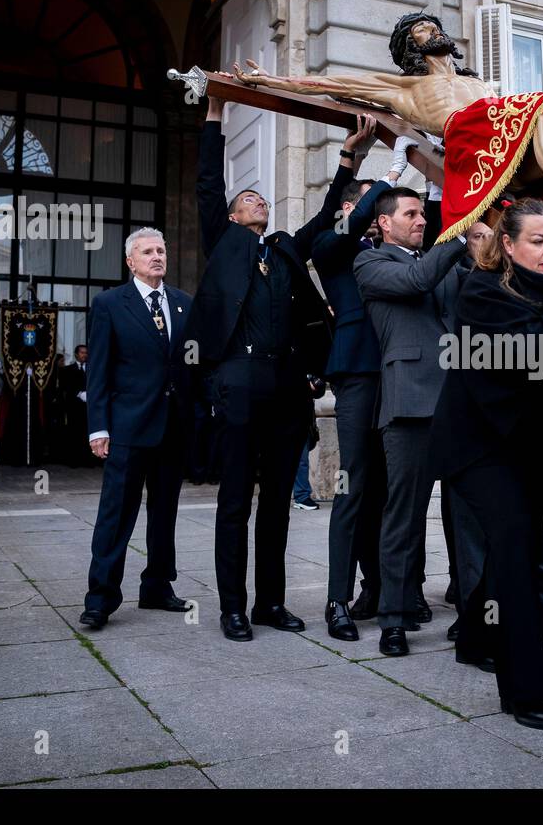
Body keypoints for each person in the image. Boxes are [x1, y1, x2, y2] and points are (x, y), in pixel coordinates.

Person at [185, 93, 361, 641]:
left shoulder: (283, 248)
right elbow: (208, 186)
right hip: (238, 380)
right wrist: (214, 114)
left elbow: (325, 217)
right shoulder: (225, 242)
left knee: (279, 504)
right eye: (250, 199)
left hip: (287, 387)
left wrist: (348, 162)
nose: (259, 202)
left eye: (263, 198)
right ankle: (232, 607)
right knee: (236, 498)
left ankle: (270, 604)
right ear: (234, 215)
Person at [430, 198, 543, 730]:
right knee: (514, 550)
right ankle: (524, 689)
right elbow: (525, 352)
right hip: (478, 444)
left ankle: (473, 636)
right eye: (538, 240)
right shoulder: (480, 290)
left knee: (519, 540)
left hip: (525, 442)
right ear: (507, 245)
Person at [232, 11, 543, 250]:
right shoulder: (408, 88)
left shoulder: (481, 84)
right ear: (409, 48)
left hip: (503, 150)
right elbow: (338, 84)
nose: (431, 29)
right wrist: (273, 81)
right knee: (541, 104)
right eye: (421, 29)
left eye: (433, 25)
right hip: (468, 145)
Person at [353, 185, 469, 657]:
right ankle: (395, 619)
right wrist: (460, 235)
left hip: (458, 403)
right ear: (384, 223)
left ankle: (475, 614)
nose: (423, 220)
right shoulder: (371, 263)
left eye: (425, 213)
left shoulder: (439, 261)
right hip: (409, 404)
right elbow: (417, 281)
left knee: (469, 517)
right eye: (412, 213)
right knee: (403, 517)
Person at [311, 137, 414, 639]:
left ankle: (384, 588)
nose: (382, 213)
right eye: (373, 203)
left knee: (389, 489)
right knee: (352, 486)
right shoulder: (333, 248)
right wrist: (387, 176)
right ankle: (337, 600)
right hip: (357, 377)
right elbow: (349, 224)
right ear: (355, 207)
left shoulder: (397, 253)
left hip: (398, 375)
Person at [80, 228, 194, 628]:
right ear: (131, 261)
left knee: (164, 514)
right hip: (127, 429)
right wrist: (99, 428)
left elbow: (190, 368)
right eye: (147, 251)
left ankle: (158, 587)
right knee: (116, 515)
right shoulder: (110, 304)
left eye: (161, 250)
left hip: (173, 430)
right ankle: (100, 598)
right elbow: (99, 371)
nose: (157, 257)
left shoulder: (183, 304)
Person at [61, 345, 97, 466]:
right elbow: (66, 386)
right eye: (82, 353)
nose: (84, 355)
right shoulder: (68, 369)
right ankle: (74, 460)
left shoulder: (92, 369)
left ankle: (88, 460)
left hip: (89, 406)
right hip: (74, 406)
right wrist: (78, 393)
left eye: (86, 353)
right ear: (76, 354)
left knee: (87, 433)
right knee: (74, 433)